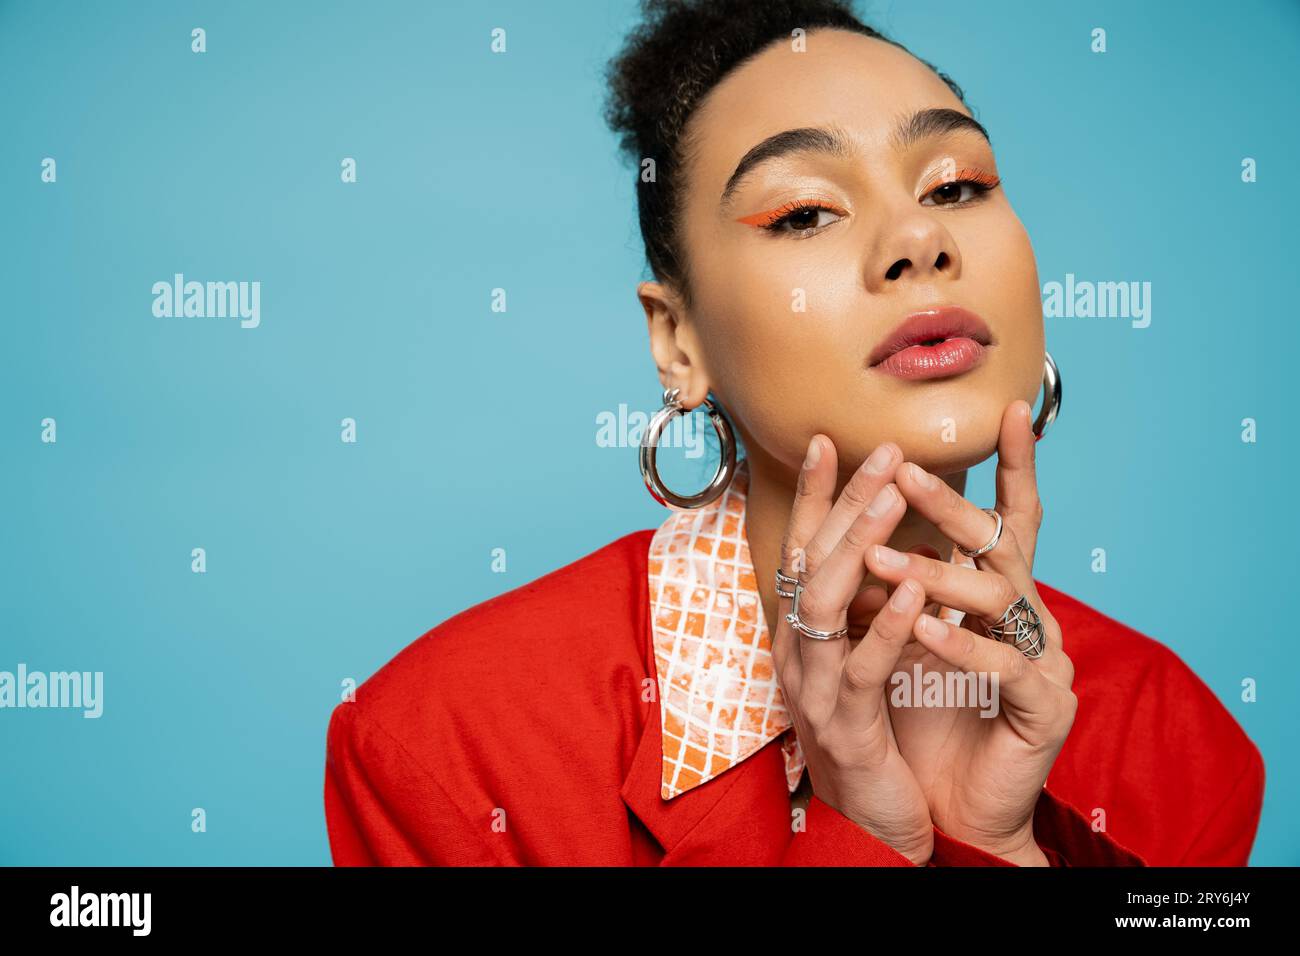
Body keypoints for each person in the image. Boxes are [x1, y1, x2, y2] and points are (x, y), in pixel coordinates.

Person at [324, 0, 1264, 866]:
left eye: (956, 186)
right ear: (678, 341)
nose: (919, 243)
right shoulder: (448, 747)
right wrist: (870, 843)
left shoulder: (1171, 741)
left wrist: (991, 844)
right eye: (805, 211)